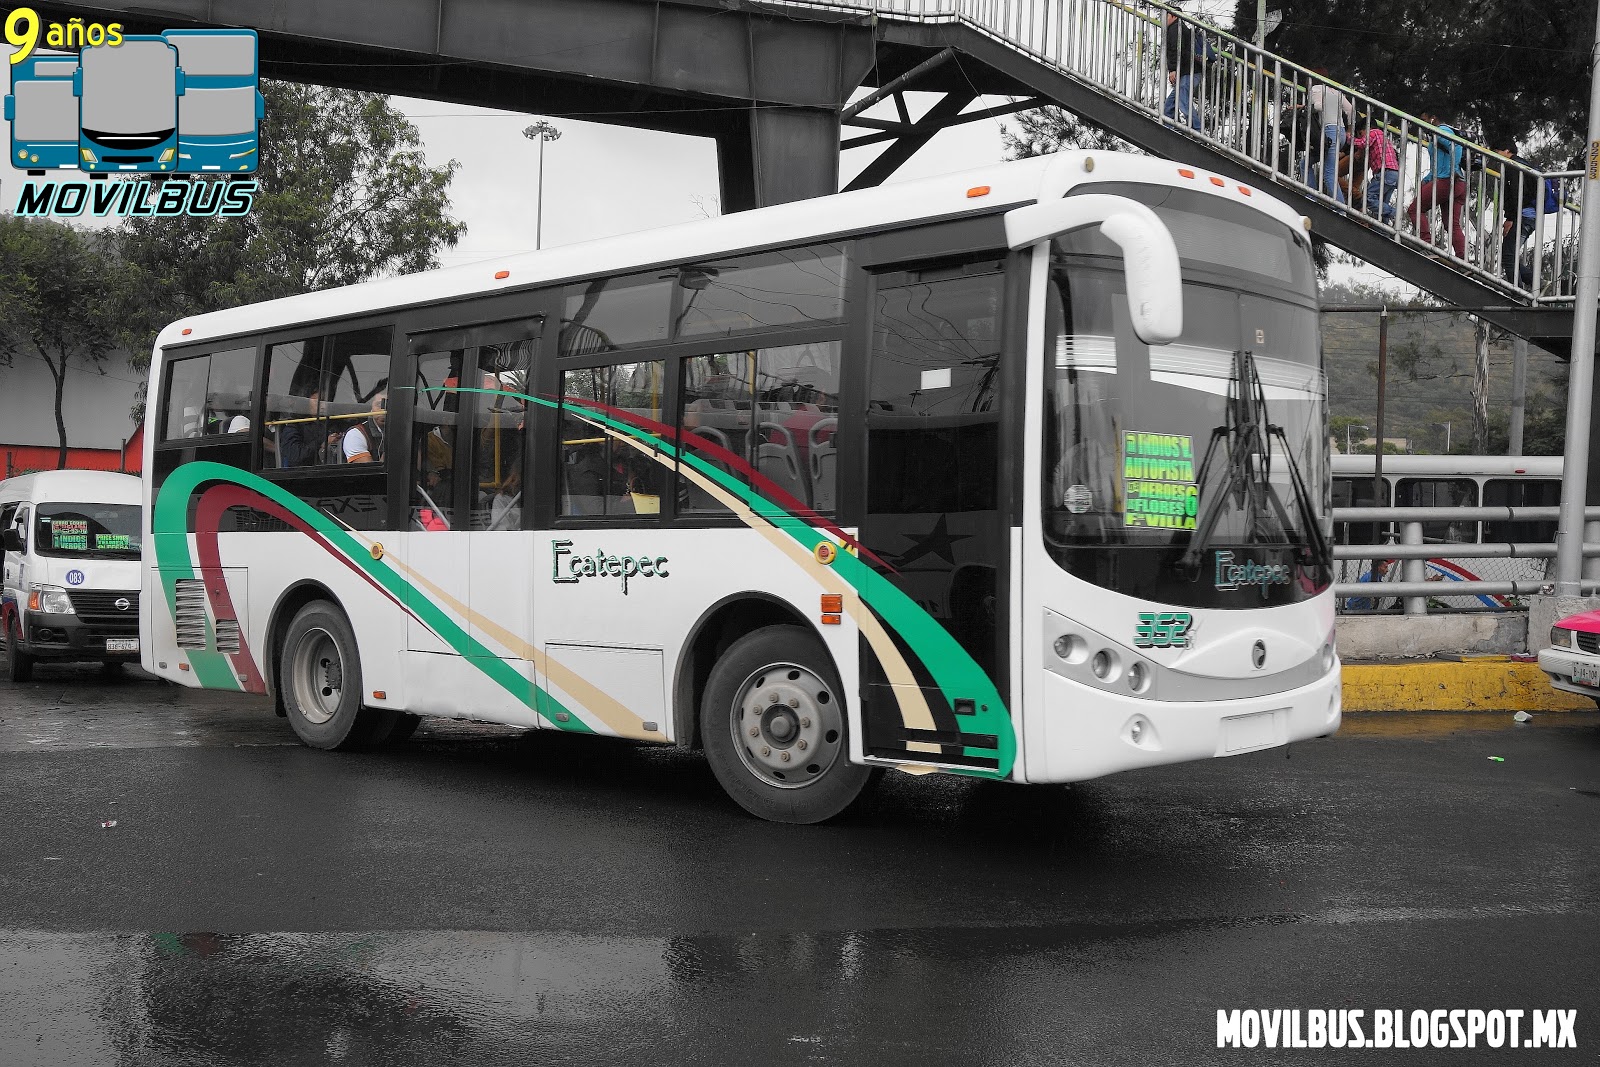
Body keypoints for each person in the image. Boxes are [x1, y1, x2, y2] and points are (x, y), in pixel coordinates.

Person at [1407, 112, 1468, 259]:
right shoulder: (1439, 133)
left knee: (1415, 209)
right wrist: (1427, 179)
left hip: (1447, 181)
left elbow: (1457, 146)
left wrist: (1452, 171)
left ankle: (1427, 244)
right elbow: (1438, 165)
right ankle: (1463, 259)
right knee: (1451, 224)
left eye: (1423, 120)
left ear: (1432, 118)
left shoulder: (1441, 130)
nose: (1422, 124)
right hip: (1458, 183)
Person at [1497, 145, 1543, 288]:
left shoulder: (1514, 167)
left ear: (1507, 150)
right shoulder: (1523, 165)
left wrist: (1510, 218)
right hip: (1529, 216)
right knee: (1508, 255)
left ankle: (1517, 291)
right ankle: (1537, 283)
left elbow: (1517, 194)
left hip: (1523, 216)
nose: (1495, 156)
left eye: (1497, 152)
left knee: (1508, 255)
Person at [1308, 72, 1353, 202]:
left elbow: (1318, 106)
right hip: (1341, 132)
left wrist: (1308, 107)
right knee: (1305, 163)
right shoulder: (1337, 92)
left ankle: (1340, 208)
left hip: (1329, 132)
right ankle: (1311, 195)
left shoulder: (1316, 88)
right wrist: (1349, 129)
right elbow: (1350, 109)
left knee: (1329, 173)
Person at [1162, 11, 1208, 132]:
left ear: (1174, 16)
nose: (1163, 19)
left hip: (1189, 72)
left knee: (1183, 101)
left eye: (1166, 15)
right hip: (1188, 72)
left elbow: (1176, 50)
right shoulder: (1179, 28)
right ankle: (1169, 128)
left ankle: (1196, 130)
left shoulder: (1176, 28)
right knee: (1170, 103)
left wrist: (1173, 69)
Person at [1355, 115, 1400, 225]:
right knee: (1382, 203)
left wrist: (1349, 138)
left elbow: (1362, 143)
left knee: (1368, 198)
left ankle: (1394, 213)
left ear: (1366, 128)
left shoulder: (1374, 132)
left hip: (1385, 172)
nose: (1361, 137)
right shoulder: (1383, 138)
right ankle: (1383, 230)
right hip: (1393, 173)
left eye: (1361, 134)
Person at [342, 392, 386, 464]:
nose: (383, 410)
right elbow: (369, 469)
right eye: (378, 405)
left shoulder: (403, 431)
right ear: (371, 408)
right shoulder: (356, 434)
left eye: (388, 405)